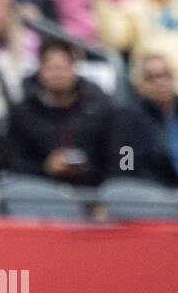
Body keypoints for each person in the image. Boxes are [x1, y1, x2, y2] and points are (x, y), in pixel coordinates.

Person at [7, 38, 116, 187]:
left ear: (74, 69)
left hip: (92, 190)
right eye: (51, 68)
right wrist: (45, 166)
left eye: (63, 67)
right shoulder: (23, 112)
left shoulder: (99, 109)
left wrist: (88, 167)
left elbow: (116, 157)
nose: (58, 74)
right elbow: (14, 162)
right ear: (40, 71)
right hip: (40, 193)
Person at [110, 51, 178, 187]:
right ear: (139, 83)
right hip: (155, 194)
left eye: (165, 75)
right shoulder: (127, 119)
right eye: (151, 77)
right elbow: (125, 166)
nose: (160, 82)